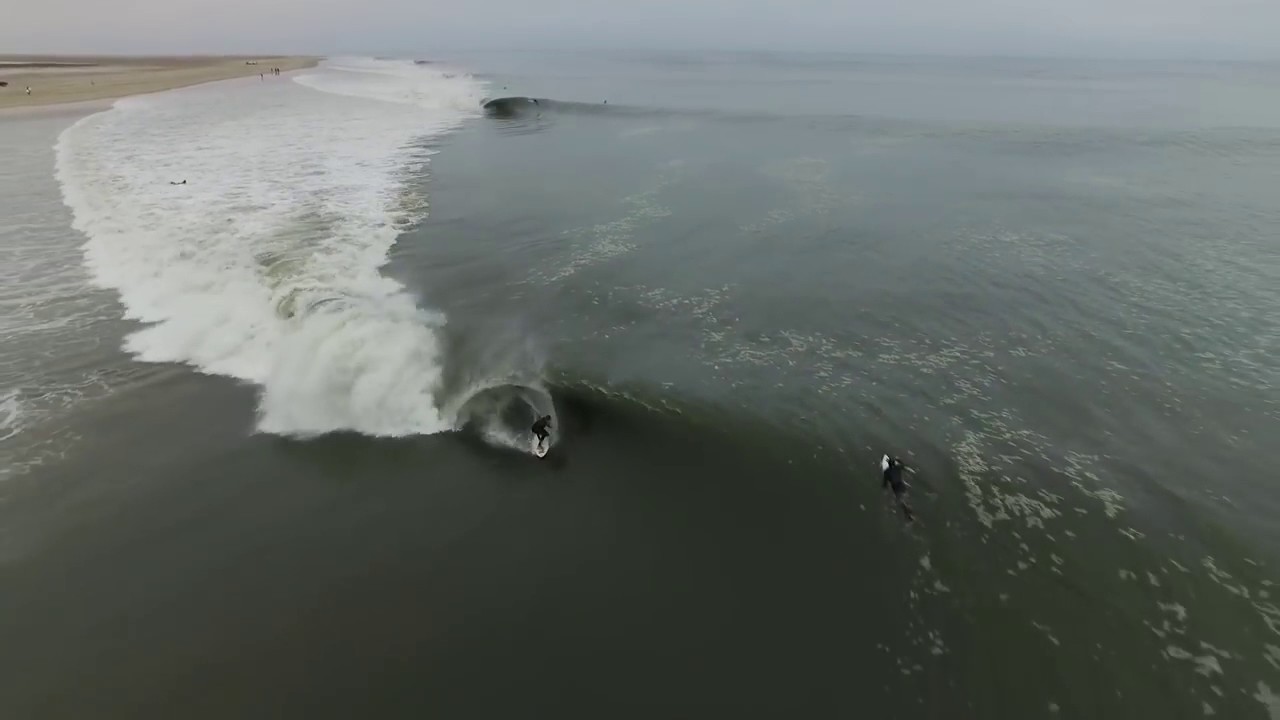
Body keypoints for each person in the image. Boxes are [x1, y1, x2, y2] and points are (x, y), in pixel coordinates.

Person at [882, 456, 916, 522]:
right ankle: (910, 514)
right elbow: (905, 468)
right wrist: (911, 471)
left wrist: (885, 492)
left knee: (902, 503)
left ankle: (909, 516)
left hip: (896, 488)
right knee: (906, 500)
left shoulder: (886, 471)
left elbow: (885, 484)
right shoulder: (897, 467)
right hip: (902, 486)